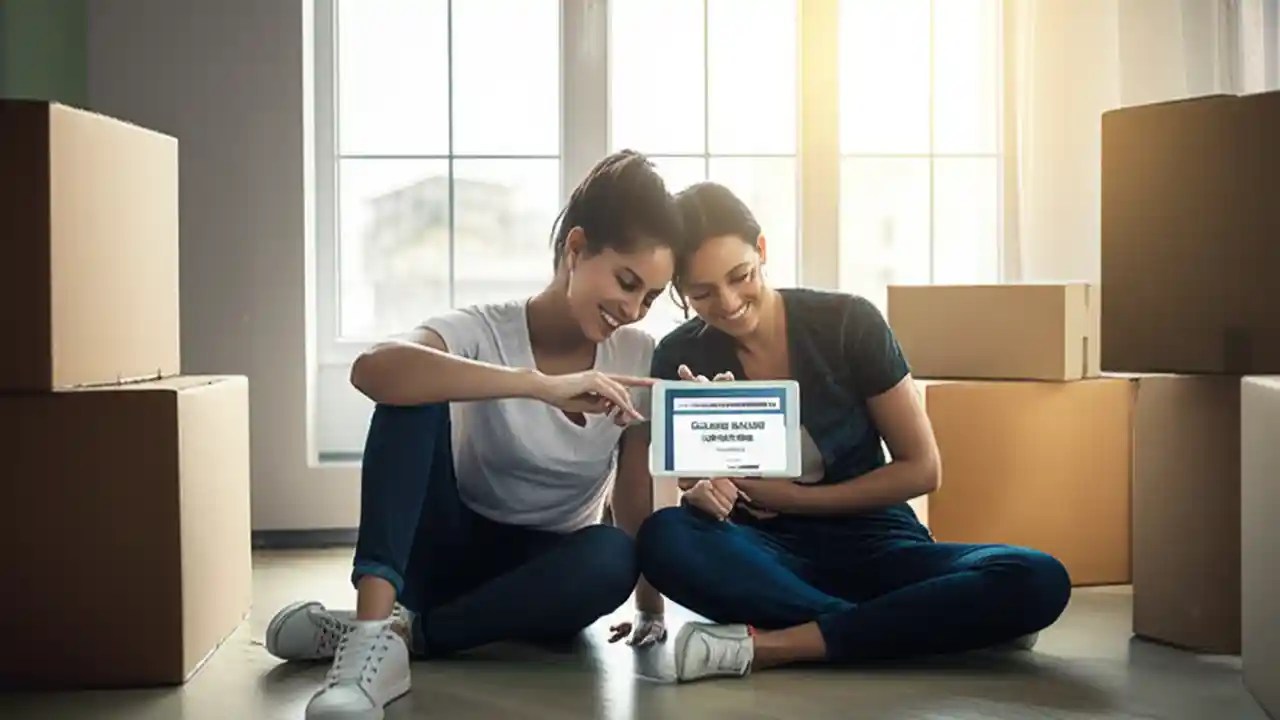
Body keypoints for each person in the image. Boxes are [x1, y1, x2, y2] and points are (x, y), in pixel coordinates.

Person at [265, 151, 679, 720]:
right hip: (447, 548)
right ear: (576, 248)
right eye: (626, 282)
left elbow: (634, 490)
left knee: (614, 555)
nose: (632, 309)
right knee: (410, 390)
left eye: (649, 298)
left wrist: (651, 608)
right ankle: (369, 635)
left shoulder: (636, 355)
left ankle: (406, 635)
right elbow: (373, 369)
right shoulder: (484, 328)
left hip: (547, 573)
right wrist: (537, 385)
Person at [635, 182, 1073, 682]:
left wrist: (794, 500)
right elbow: (690, 489)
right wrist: (703, 491)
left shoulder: (848, 322)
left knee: (1038, 578)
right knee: (664, 537)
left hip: (877, 540)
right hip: (766, 557)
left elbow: (922, 468)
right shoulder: (678, 355)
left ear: (762, 250)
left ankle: (777, 646)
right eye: (703, 293)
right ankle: (918, 622)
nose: (729, 302)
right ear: (681, 293)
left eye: (741, 276)